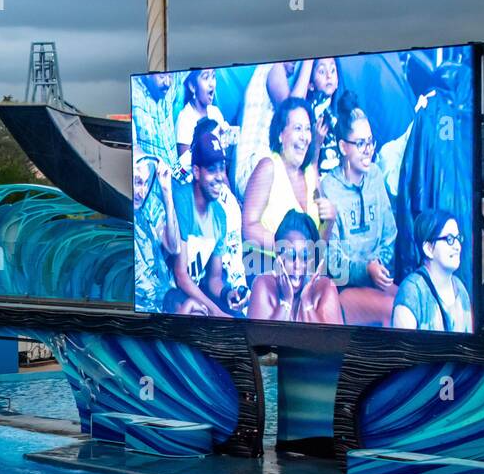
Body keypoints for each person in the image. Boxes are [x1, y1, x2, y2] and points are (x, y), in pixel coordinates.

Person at [320, 99, 398, 326]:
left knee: (413, 304)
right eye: (361, 143)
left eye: (371, 142)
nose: (368, 150)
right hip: (345, 288)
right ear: (343, 147)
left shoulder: (375, 175)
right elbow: (331, 262)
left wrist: (378, 269)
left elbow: (389, 234)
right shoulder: (328, 188)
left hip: (376, 279)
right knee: (395, 311)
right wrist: (365, 270)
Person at [242, 97, 334, 261]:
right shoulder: (268, 167)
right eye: (298, 128)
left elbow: (318, 251)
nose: (304, 137)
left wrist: (329, 222)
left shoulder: (311, 173)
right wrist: (286, 248)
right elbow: (248, 228)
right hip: (267, 266)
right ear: (280, 134)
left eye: (307, 129)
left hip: (304, 271)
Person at [169, 129, 234, 317]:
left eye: (222, 168)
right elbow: (181, 275)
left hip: (195, 299)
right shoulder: (182, 199)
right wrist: (217, 312)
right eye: (212, 169)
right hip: (168, 298)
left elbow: (214, 279)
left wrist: (227, 293)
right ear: (197, 171)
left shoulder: (220, 215)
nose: (220, 176)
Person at [235, 59, 315, 196]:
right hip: (254, 171)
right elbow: (292, 109)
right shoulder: (272, 65)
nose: (297, 61)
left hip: (251, 174)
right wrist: (309, 61)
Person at [247, 211, 342, 323]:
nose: (297, 265)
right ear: (278, 256)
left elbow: (332, 340)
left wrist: (307, 303)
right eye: (290, 255)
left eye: (305, 255)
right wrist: (286, 302)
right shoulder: (263, 285)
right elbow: (259, 339)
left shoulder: (326, 288)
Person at [393, 210, 471, 332]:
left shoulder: (461, 289)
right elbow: (403, 348)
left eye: (457, 238)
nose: (457, 246)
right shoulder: (412, 292)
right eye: (449, 239)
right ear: (428, 248)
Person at [132, 152, 182, 313]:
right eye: (137, 182)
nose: (142, 191)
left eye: (146, 183)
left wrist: (167, 193)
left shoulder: (150, 204)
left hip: (162, 303)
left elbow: (174, 247)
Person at [131, 71, 181, 174]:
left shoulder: (173, 83)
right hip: (151, 184)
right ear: (148, 75)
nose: (167, 82)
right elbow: (133, 147)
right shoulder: (134, 95)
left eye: (170, 76)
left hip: (174, 179)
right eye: (162, 77)